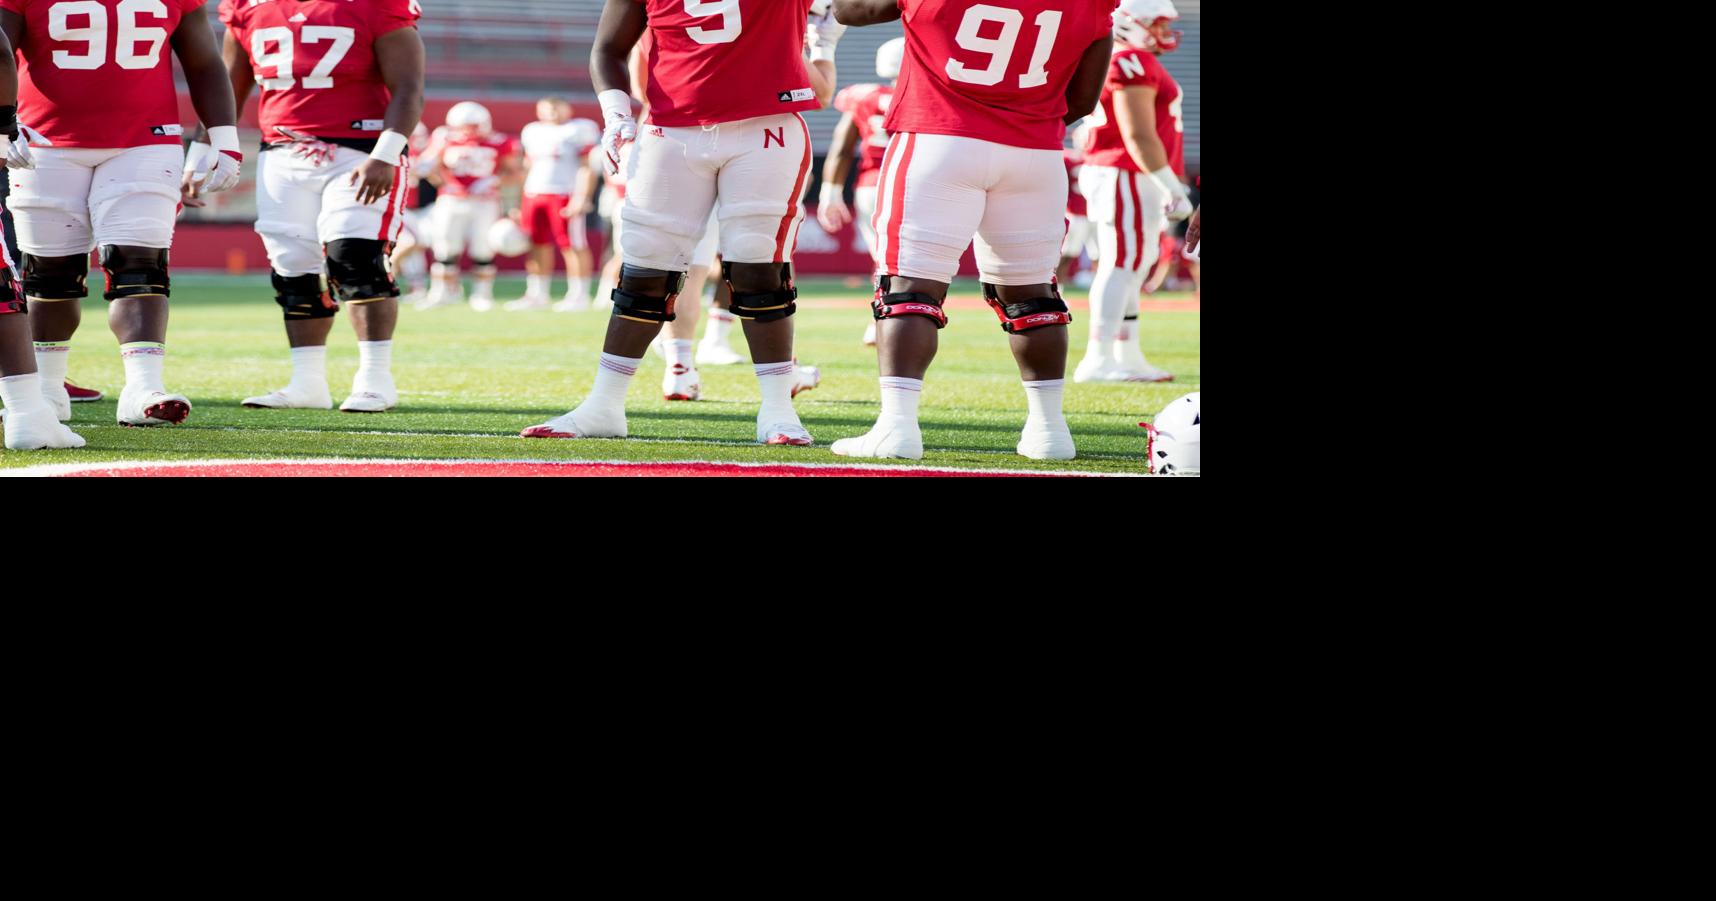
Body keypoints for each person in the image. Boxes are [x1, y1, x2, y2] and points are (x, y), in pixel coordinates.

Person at [521, 0, 842, 447]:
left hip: (764, 124)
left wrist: (823, 37)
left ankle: (778, 410)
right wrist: (616, 114)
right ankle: (604, 404)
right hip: (670, 128)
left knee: (758, 264)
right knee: (645, 266)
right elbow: (608, 49)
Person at [829, 0, 1115, 461]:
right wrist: (1021, 120)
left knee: (909, 288)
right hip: (1035, 152)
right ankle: (1049, 431)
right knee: (1032, 294)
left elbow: (850, 10)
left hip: (938, 138)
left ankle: (897, 426)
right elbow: (1082, 99)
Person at [3, 0, 239, 427]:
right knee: (50, 274)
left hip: (147, 138)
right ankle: (48, 387)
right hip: (44, 139)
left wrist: (223, 135)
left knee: (141, 265)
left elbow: (204, 61)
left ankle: (143, 387)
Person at [217, 0, 426, 413]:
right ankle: (307, 383)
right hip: (282, 151)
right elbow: (229, 85)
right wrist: (209, 145)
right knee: (293, 268)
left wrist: (386, 153)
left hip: (360, 152)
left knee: (355, 257)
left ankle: (374, 378)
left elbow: (409, 86)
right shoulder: (246, 7)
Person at [1072, 0, 1191, 383]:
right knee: (1121, 264)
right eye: (1155, 24)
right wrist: (1172, 186)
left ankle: (1126, 352)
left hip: (1129, 173)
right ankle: (1098, 357)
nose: (1162, 33)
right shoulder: (1129, 60)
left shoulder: (1131, 59)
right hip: (1126, 171)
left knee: (1133, 264)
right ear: (1130, 24)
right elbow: (1137, 134)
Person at [416, 101, 520, 312]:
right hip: (451, 199)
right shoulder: (444, 138)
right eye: (464, 125)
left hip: (484, 202)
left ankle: (482, 294)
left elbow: (514, 173)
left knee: (482, 248)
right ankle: (441, 292)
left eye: (473, 125)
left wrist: (495, 181)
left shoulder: (499, 142)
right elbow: (428, 167)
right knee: (445, 247)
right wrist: (443, 181)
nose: (468, 130)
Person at [507, 97, 600, 311]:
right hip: (534, 192)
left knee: (572, 244)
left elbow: (587, 167)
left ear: (568, 109)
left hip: (564, 193)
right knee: (536, 243)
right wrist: (519, 201)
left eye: (556, 108)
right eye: (547, 109)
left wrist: (581, 197)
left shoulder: (577, 130)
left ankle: (579, 295)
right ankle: (537, 293)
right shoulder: (532, 131)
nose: (552, 113)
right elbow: (526, 167)